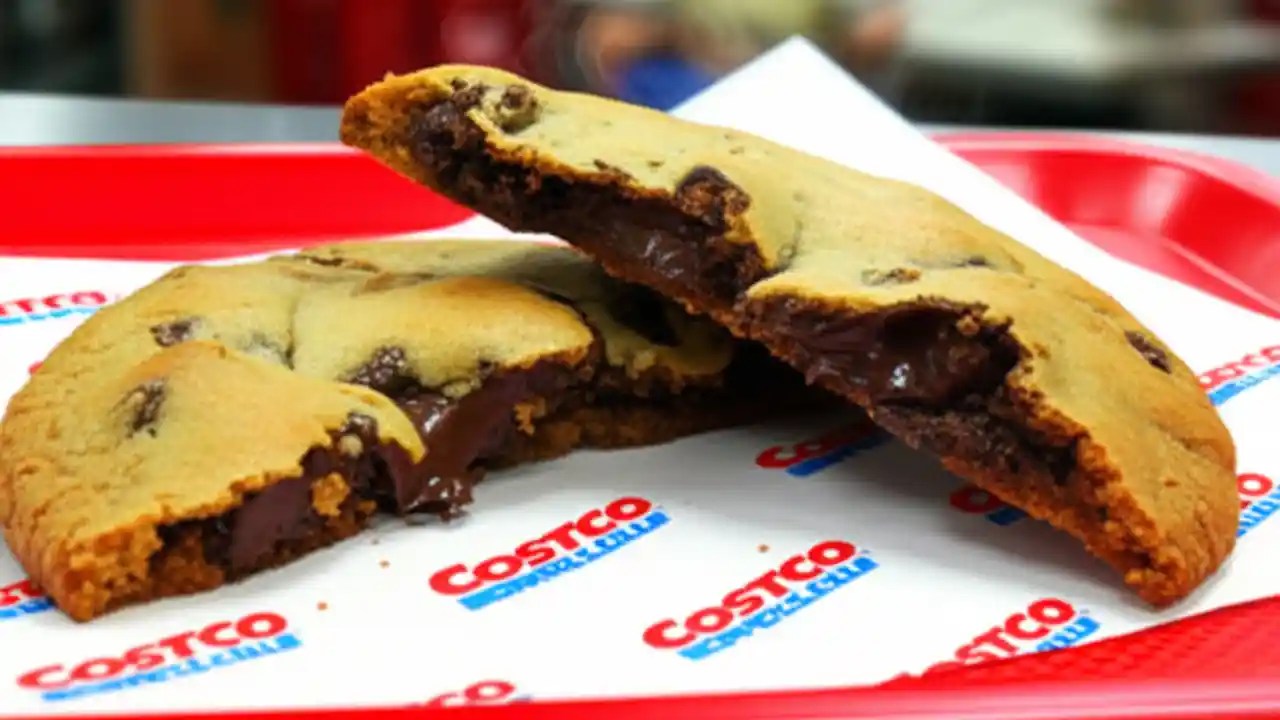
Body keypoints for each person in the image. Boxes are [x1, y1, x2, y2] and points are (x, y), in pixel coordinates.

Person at [572, 0, 908, 109]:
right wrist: (687, 41)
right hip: (689, 80)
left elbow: (871, 37)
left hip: (796, 88)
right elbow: (610, 38)